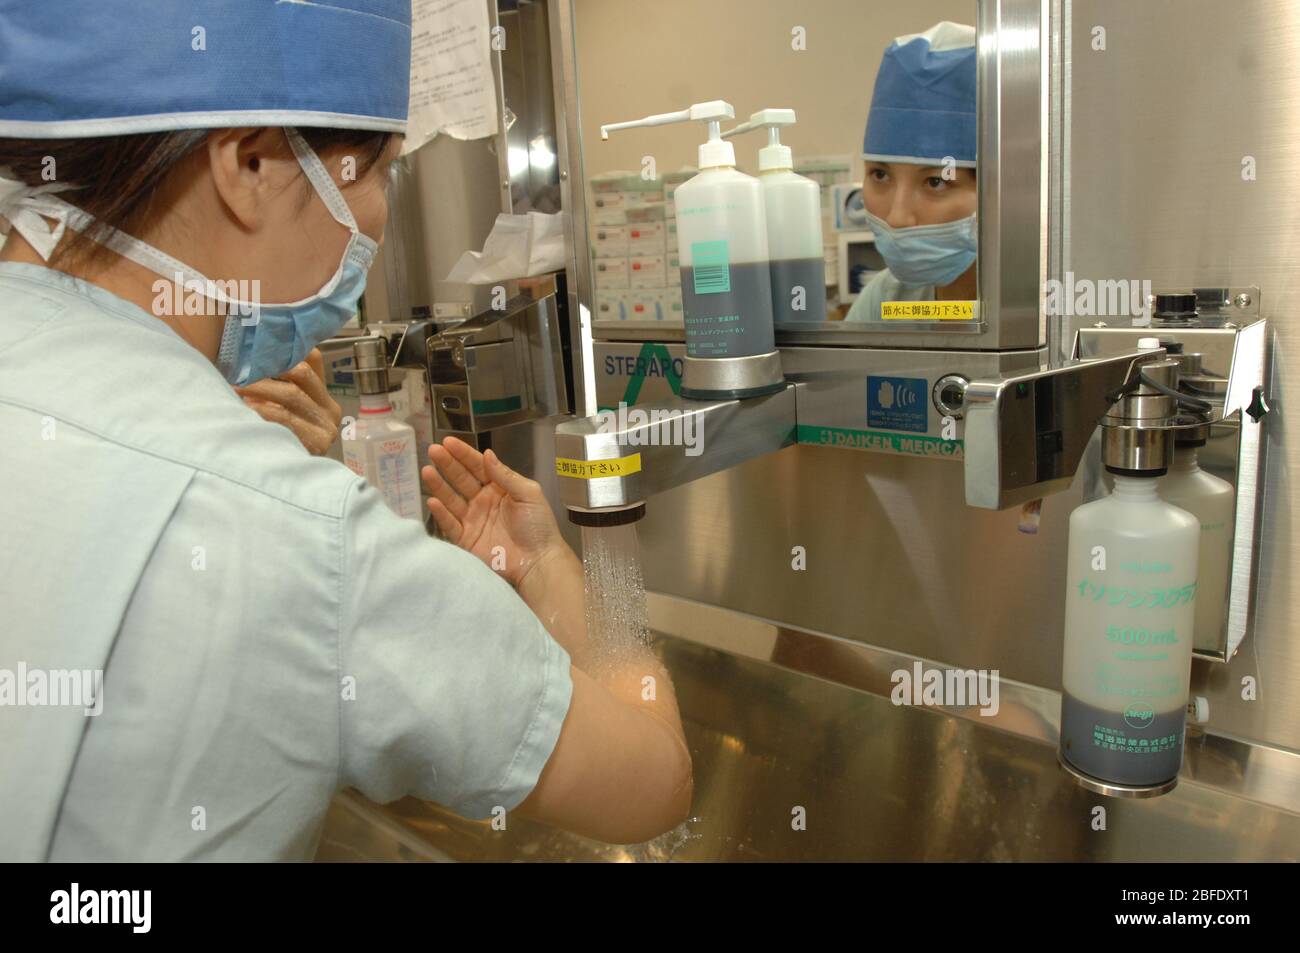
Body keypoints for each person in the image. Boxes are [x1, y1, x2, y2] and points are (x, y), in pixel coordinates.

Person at [0, 0, 691, 861]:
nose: (378, 217)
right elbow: (654, 783)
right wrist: (556, 575)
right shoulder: (300, 537)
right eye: (379, 169)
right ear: (249, 163)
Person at [844, 22, 978, 323]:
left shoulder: (1047, 308)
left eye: (935, 182)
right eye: (880, 175)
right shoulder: (883, 304)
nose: (897, 218)